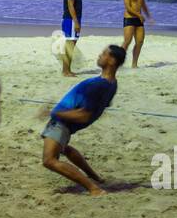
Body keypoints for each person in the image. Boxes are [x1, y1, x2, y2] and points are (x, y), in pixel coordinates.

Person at [40, 45, 125, 196]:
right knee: (65, 148)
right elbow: (101, 107)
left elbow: (84, 115)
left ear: (112, 60)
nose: (99, 55)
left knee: (49, 160)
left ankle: (94, 188)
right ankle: (94, 177)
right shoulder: (112, 83)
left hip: (62, 123)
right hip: (65, 123)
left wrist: (54, 112)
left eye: (103, 53)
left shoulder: (98, 85)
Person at [122, 0, 154, 68]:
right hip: (129, 18)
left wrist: (149, 16)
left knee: (139, 42)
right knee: (127, 41)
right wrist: (139, 15)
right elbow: (128, 7)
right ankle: (117, 61)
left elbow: (143, 5)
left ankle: (134, 64)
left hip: (139, 20)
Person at [59, 0, 84, 77]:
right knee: (69, 45)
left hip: (72, 19)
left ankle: (67, 69)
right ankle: (65, 71)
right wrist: (76, 21)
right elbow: (70, 4)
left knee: (71, 45)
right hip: (70, 19)